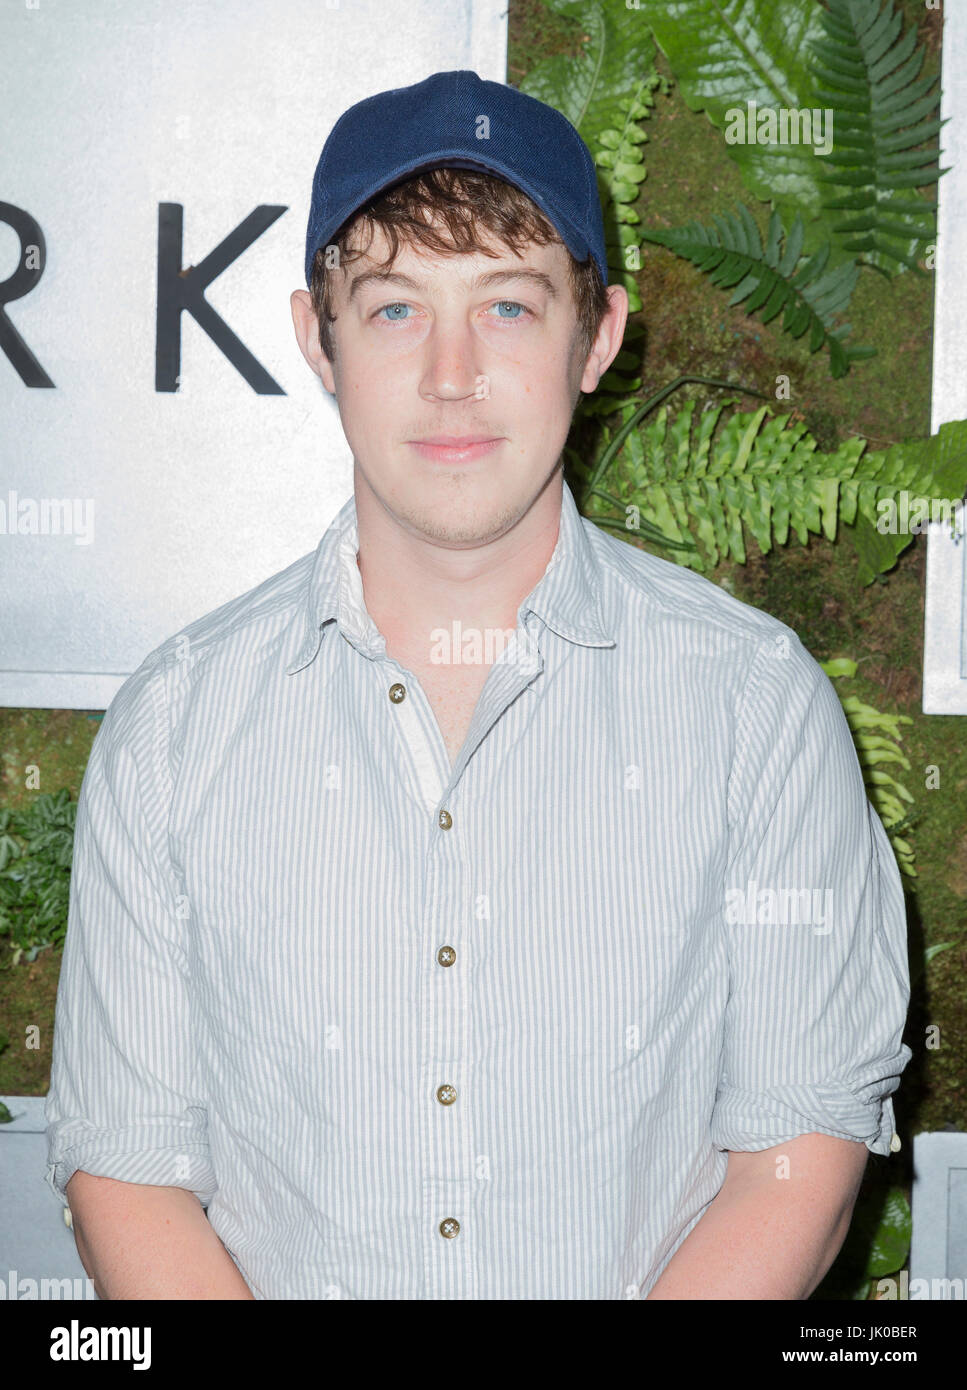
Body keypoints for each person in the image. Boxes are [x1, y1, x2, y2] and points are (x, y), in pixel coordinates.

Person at [45, 69, 911, 1300]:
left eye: (508, 307)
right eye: (395, 309)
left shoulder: (751, 712)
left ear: (598, 335)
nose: (452, 373)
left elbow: (797, 1154)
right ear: (317, 339)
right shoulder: (175, 729)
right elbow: (125, 1167)